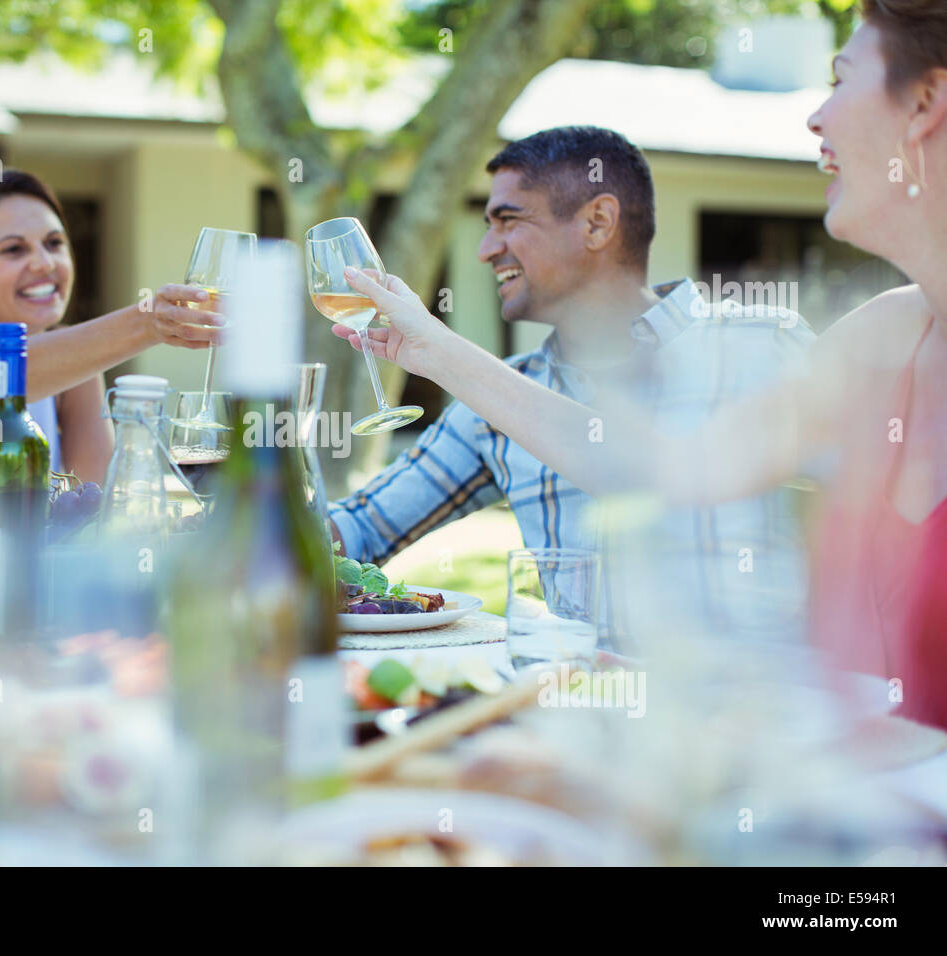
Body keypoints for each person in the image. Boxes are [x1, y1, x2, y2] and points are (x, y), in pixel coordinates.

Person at [332, 1, 947, 723]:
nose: (815, 118)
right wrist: (428, 349)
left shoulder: (770, 343)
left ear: (926, 105)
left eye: (841, 79)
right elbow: (662, 471)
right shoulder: (880, 338)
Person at [328, 125, 814, 641]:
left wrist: (441, 353)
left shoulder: (763, 345)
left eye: (509, 221)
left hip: (752, 711)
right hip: (580, 707)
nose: (485, 249)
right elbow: (359, 529)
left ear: (597, 223)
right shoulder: (495, 400)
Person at [0, 168, 219, 481]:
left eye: (54, 243)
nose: (44, 263)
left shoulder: (75, 367)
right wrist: (147, 324)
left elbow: (91, 503)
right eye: (14, 249)